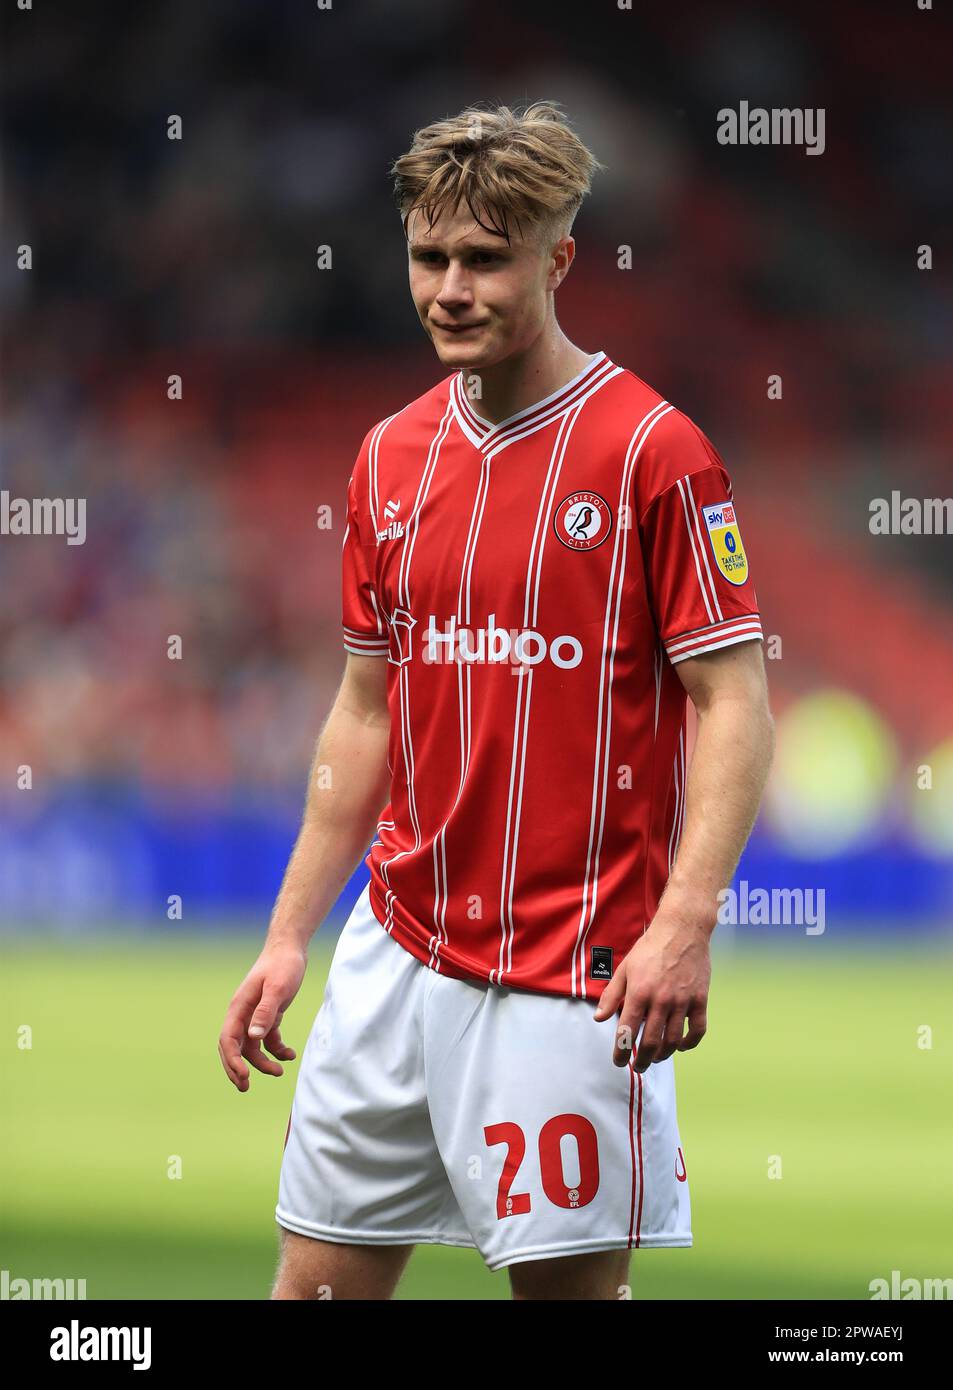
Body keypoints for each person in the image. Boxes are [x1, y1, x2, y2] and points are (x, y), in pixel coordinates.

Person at [218, 101, 775, 1301]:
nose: (450, 290)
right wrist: (286, 933)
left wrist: (684, 922)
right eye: (429, 258)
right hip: (395, 948)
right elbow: (364, 710)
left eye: (484, 260)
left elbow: (732, 699)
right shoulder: (385, 457)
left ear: (557, 260)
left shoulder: (652, 454)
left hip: (573, 970)